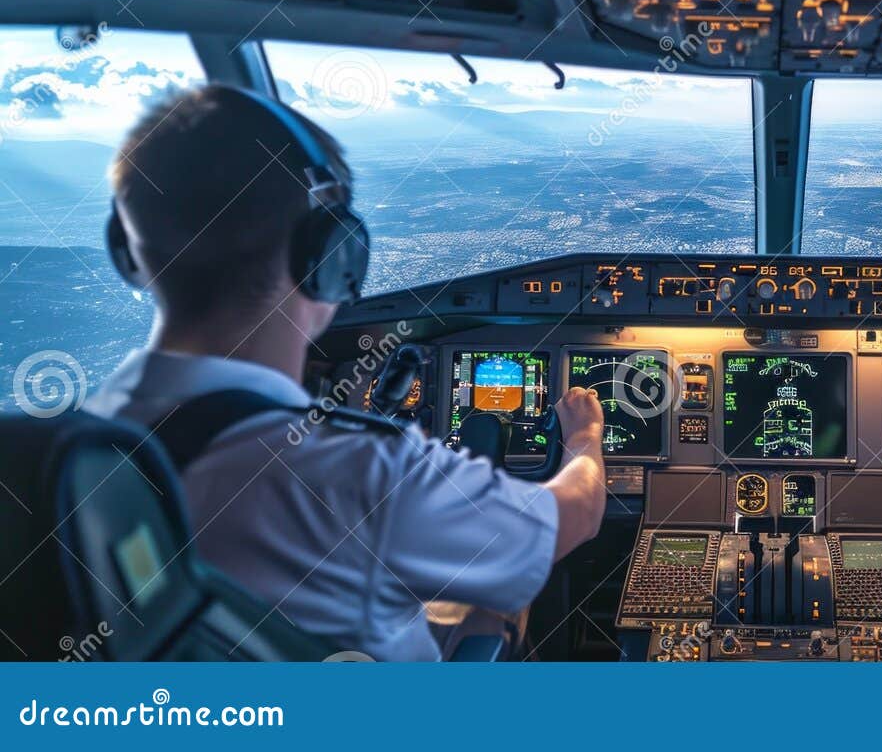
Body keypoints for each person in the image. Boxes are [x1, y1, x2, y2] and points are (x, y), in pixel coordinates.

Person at [85, 84, 608, 661]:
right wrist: (584, 439)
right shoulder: (361, 470)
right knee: (497, 603)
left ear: (125, 250)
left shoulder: (70, 449)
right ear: (334, 261)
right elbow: (574, 519)